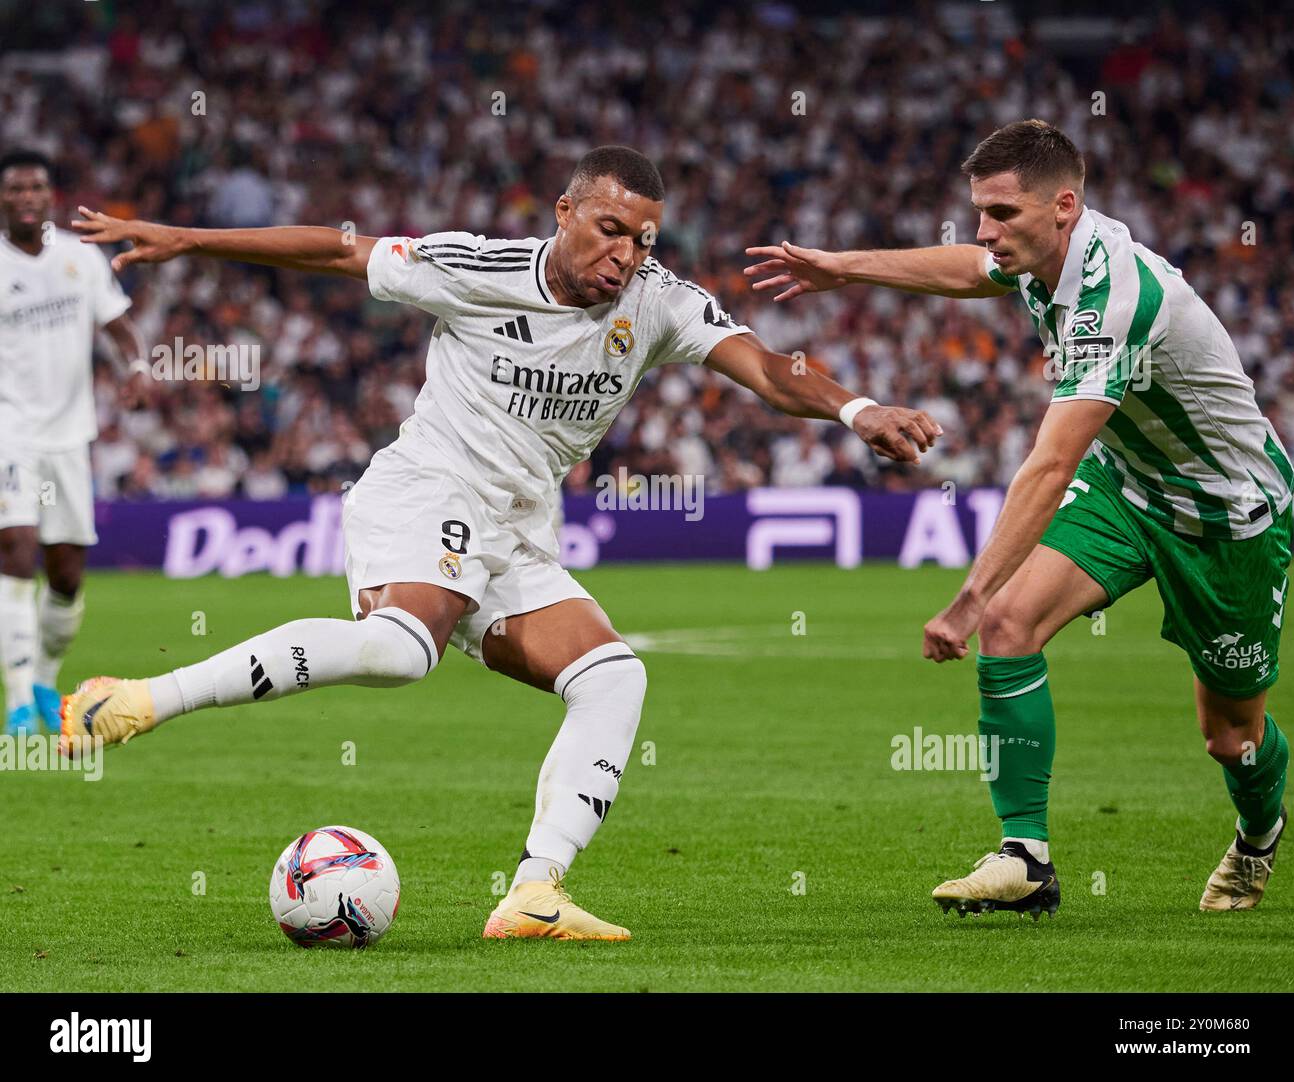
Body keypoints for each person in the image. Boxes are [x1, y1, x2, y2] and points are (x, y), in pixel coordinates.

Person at [65, 145, 941, 940]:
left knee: (611, 677)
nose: (625, 255)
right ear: (563, 213)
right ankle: (142, 697)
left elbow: (765, 366)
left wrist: (856, 409)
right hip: (426, 491)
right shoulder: (473, 267)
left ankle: (535, 890)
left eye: (641, 239)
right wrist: (186, 237)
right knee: (402, 653)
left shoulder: (660, 302)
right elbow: (339, 249)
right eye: (609, 230)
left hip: (517, 530)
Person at [745, 120, 1292, 916]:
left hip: (1223, 515)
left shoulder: (1116, 295)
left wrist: (962, 599)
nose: (986, 232)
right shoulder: (1040, 256)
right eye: (980, 212)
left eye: (1003, 213)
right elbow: (970, 269)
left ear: (1064, 206)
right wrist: (846, 268)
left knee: (1231, 737)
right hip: (1128, 490)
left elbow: (1049, 464)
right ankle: (1025, 857)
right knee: (1009, 625)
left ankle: (1259, 833)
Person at [0, 149, 147, 736]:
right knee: (15, 551)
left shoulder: (81, 256)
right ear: (2, 199)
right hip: (10, 430)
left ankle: (42, 677)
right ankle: (15, 703)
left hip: (70, 433)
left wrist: (137, 365)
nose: (26, 197)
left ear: (50, 195)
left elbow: (117, 324)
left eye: (36, 186)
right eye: (14, 189)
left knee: (66, 574)